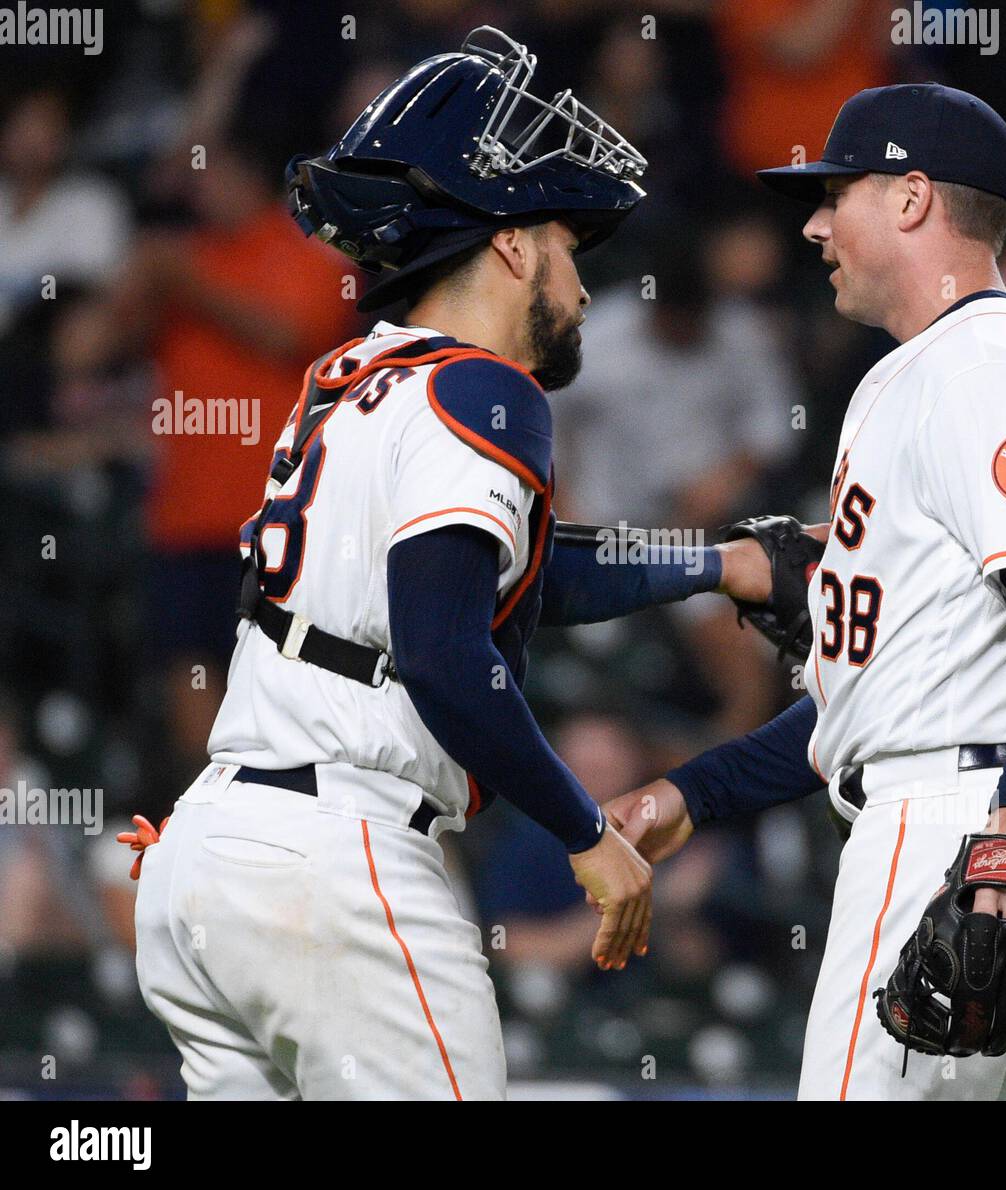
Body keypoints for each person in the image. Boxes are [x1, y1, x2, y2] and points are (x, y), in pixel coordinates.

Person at [124, 28, 771, 1101]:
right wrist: (584, 830)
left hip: (211, 852)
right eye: (568, 246)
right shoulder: (487, 389)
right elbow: (440, 645)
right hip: (336, 862)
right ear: (511, 247)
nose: (584, 286)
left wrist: (717, 563)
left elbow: (505, 581)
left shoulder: (355, 374)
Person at [607, 83, 1006, 1100]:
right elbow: (879, 701)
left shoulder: (977, 362)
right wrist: (697, 790)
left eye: (834, 195)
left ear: (909, 199)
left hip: (967, 822)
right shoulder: (935, 370)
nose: (812, 224)